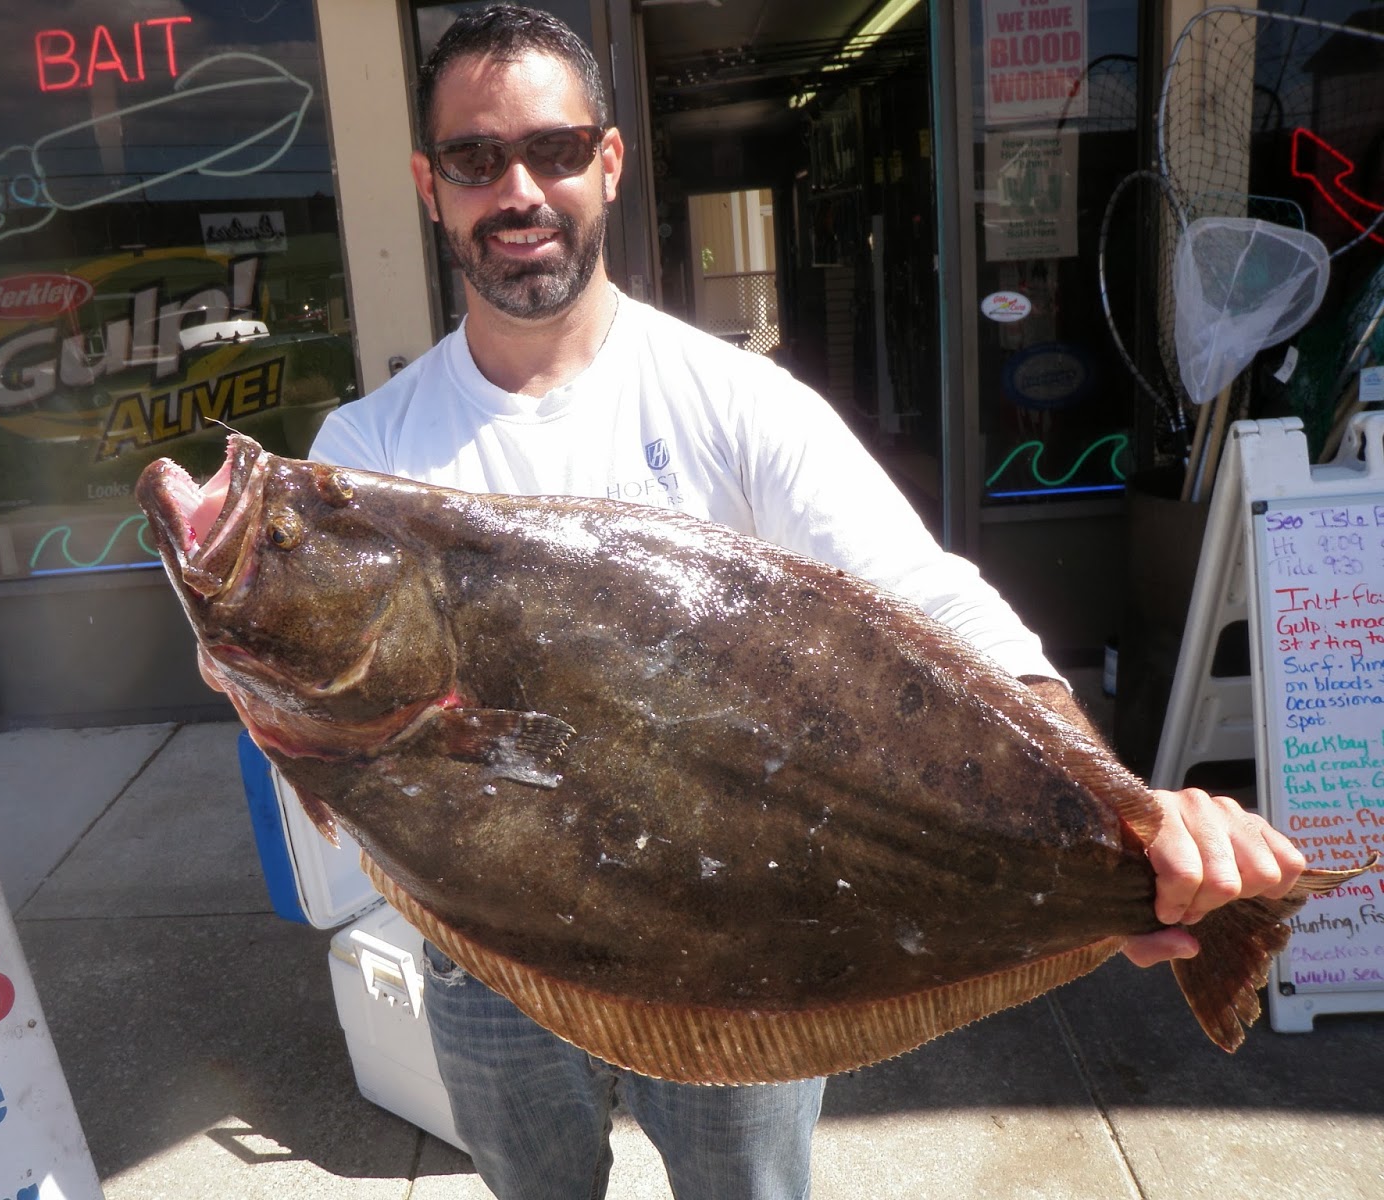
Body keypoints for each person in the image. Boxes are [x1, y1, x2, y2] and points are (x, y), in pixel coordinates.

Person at [305, 6, 1307, 1197]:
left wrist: (1124, 823)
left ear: (609, 163)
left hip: (742, 954)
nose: (518, 189)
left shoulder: (737, 402)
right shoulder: (360, 464)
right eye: (476, 159)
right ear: (429, 185)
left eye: (555, 149)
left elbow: (936, 612)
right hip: (484, 957)